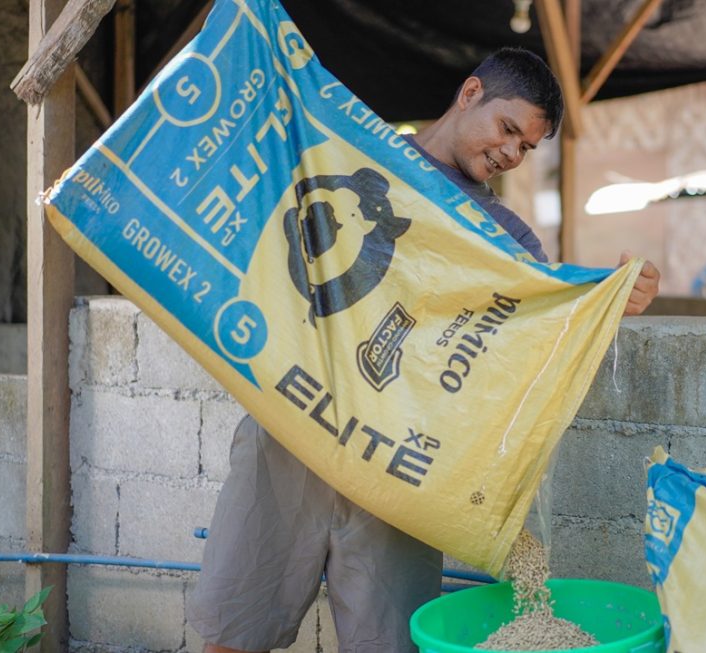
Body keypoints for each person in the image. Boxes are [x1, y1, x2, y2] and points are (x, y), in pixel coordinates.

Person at [186, 47, 660, 653]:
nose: (512, 153)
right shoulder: (356, 154)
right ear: (469, 95)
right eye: (508, 129)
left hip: (401, 470)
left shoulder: (509, 240)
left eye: (527, 147)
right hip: (292, 436)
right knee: (233, 633)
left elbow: (530, 338)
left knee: (391, 645)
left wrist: (613, 298)